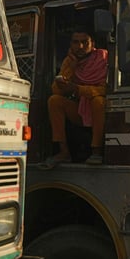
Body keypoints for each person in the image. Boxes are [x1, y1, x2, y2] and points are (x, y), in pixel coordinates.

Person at [41, 29, 108, 169]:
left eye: (85, 42)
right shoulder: (70, 61)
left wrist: (79, 90)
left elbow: (106, 89)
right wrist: (71, 67)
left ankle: (97, 150)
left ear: (93, 43)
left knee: (98, 101)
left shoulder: (103, 57)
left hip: (99, 109)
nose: (80, 47)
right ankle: (63, 151)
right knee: (54, 100)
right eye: (76, 42)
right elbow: (56, 89)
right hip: (79, 110)